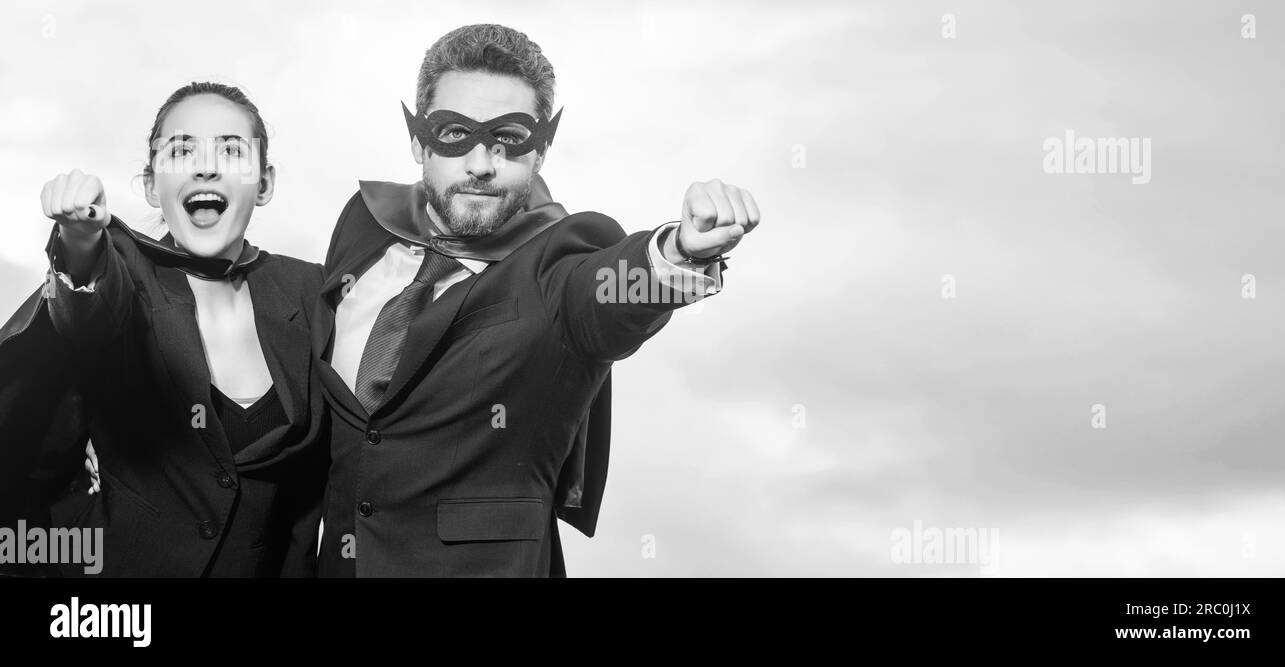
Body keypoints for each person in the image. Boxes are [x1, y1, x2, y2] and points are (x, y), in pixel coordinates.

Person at [313, 24, 761, 577]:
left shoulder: (560, 263)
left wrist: (679, 253)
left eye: (508, 139)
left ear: (541, 150)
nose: (481, 164)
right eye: (454, 133)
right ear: (418, 142)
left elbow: (609, 293)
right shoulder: (363, 224)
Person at [0, 82, 326, 577]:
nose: (205, 165)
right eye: (181, 150)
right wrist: (80, 237)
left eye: (232, 150)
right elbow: (86, 306)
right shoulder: (126, 273)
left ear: (264, 183)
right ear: (153, 186)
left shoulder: (308, 289)